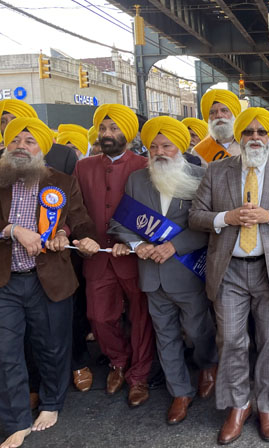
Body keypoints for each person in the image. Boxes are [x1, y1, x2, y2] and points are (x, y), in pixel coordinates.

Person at [189, 107, 269, 444]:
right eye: (248, 132)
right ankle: (238, 405)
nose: (255, 138)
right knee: (230, 340)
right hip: (229, 270)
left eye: (261, 132)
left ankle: (268, 406)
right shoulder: (216, 172)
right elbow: (195, 216)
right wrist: (225, 218)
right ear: (239, 137)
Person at [107, 116, 218, 425]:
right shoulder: (137, 180)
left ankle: (208, 364)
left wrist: (175, 245)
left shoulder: (200, 176)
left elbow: (208, 226)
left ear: (180, 147)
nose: (159, 151)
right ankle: (180, 392)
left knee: (198, 330)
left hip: (186, 272)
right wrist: (134, 243)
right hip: (151, 275)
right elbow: (119, 223)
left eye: (166, 146)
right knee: (165, 336)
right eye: (154, 146)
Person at [0, 117, 100, 448]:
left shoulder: (62, 181)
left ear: (42, 148)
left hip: (50, 280)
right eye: (15, 140)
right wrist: (13, 230)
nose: (21, 147)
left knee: (52, 347)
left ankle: (52, 403)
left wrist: (72, 236)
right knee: (5, 353)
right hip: (6, 282)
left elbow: (81, 222)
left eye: (30, 141)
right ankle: (16, 421)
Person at [73, 104, 155, 407]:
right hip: (96, 256)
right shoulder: (83, 166)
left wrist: (133, 242)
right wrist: (80, 237)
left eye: (114, 128)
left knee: (141, 316)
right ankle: (118, 361)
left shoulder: (145, 165)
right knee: (98, 316)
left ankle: (139, 375)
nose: (107, 134)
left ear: (128, 133)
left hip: (135, 257)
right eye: (103, 128)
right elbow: (75, 208)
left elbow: (153, 214)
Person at [192, 89, 242, 164]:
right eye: (212, 112)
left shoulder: (247, 142)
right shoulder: (198, 151)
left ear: (234, 114)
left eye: (224, 110)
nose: (218, 115)